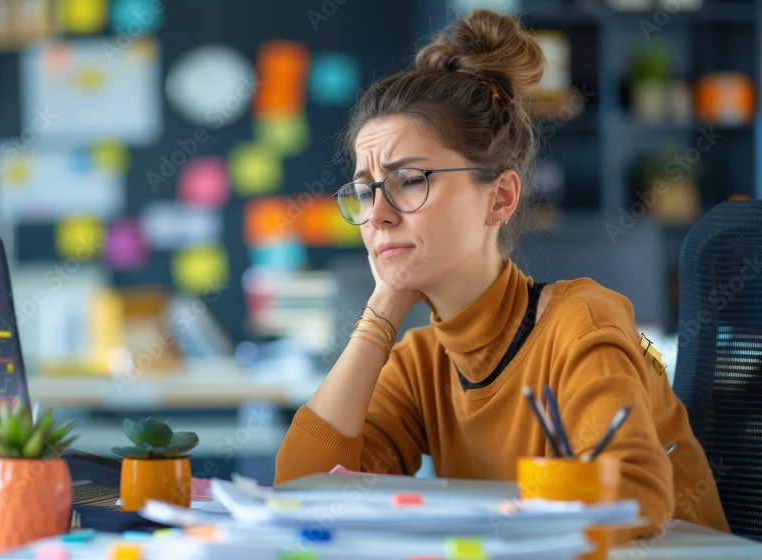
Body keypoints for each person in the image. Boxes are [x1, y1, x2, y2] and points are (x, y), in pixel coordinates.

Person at [274, 8, 729, 538]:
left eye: (408, 180)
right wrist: (382, 308)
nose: (376, 213)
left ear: (501, 197)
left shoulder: (579, 324)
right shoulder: (422, 363)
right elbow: (301, 494)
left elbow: (633, 498)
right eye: (365, 188)